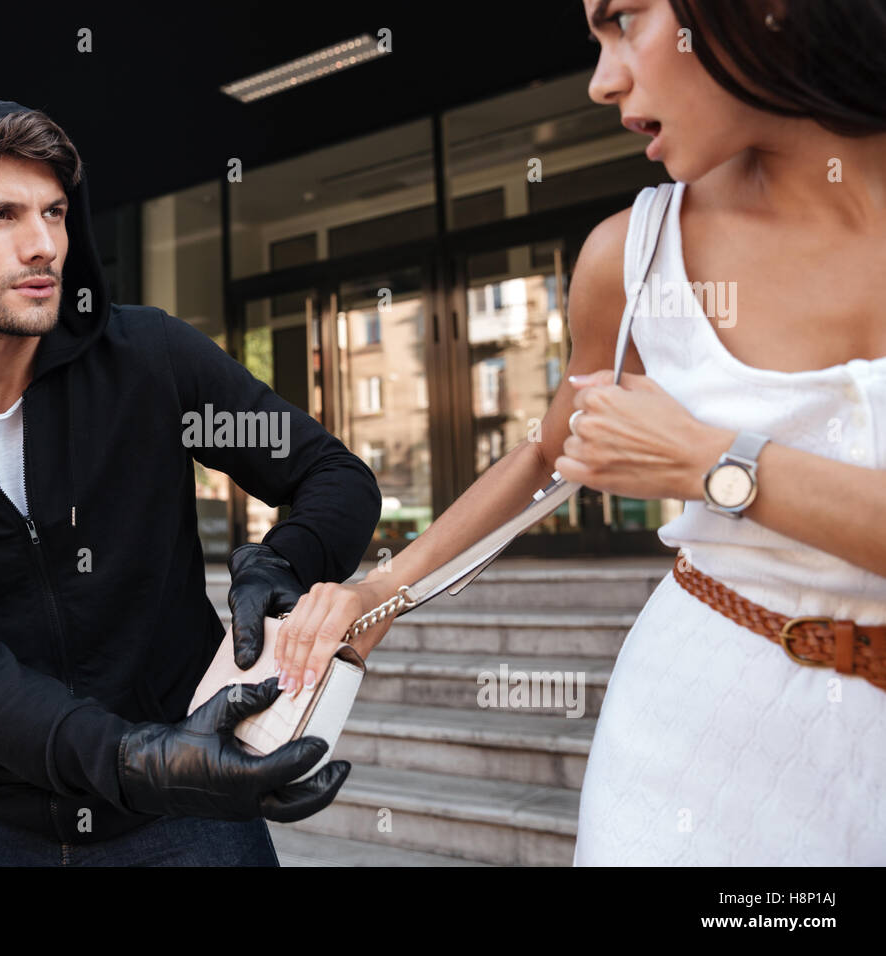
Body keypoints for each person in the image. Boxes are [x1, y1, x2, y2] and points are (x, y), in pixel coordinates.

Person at [270, 0, 886, 865]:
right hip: (697, 746)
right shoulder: (632, 258)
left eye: (624, 20)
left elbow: (698, 463)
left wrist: (716, 464)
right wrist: (384, 594)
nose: (603, 80)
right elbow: (549, 455)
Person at [0, 98, 381, 866]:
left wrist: (286, 560)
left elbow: (334, 475)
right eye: (0, 215)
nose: (43, 245)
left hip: (185, 788)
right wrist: (135, 759)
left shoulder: (151, 358)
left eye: (55, 212)